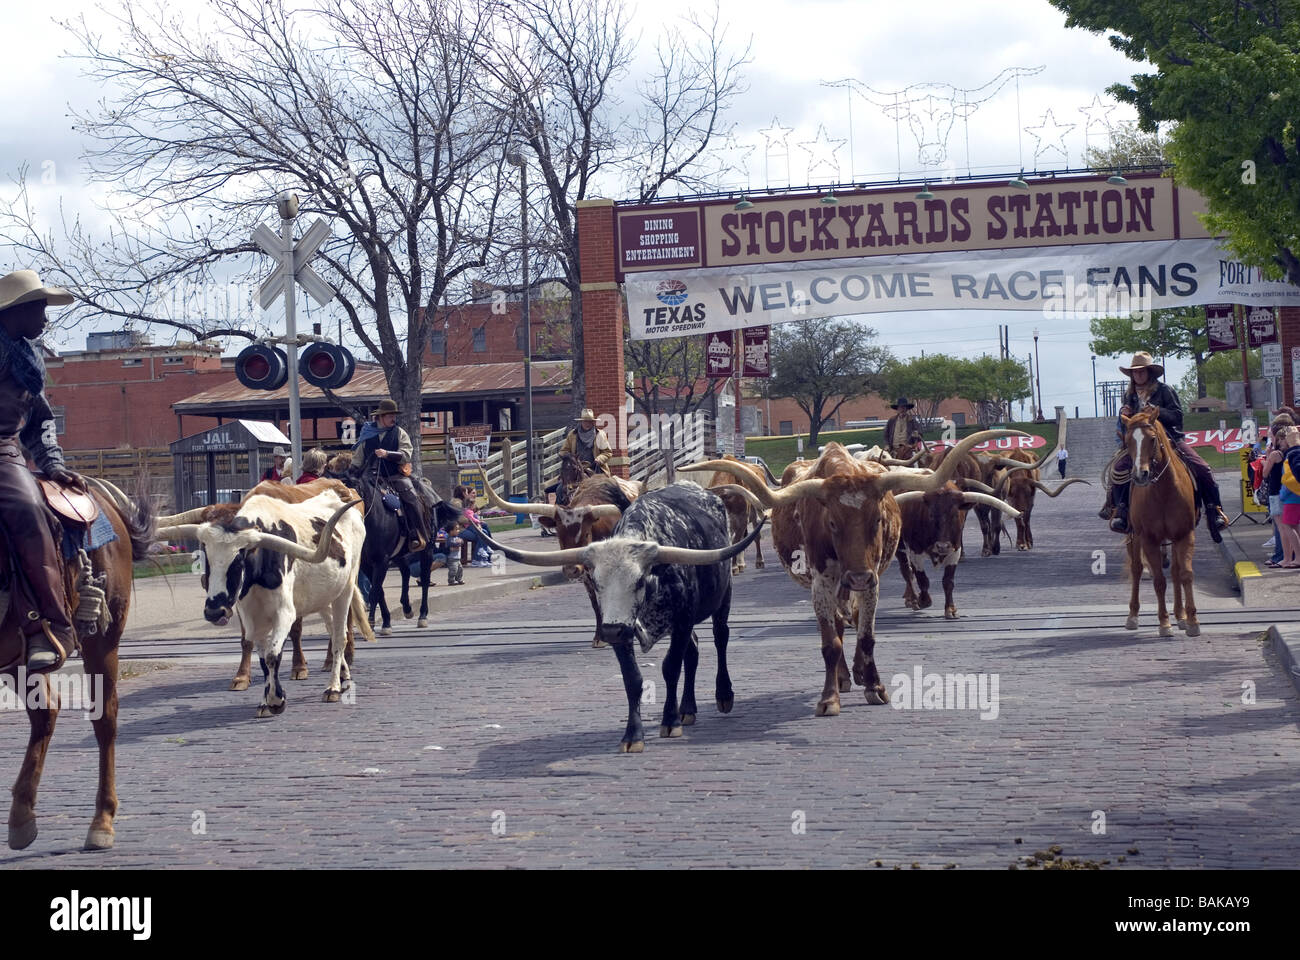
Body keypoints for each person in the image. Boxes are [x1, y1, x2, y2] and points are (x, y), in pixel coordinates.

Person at [0, 269, 85, 672]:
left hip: (3, 454)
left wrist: (52, 464)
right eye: (39, 308)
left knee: (30, 513)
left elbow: (39, 421)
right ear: (15, 312)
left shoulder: (30, 360)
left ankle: (51, 624)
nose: (45, 319)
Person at [1104, 352, 1230, 540]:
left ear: (1149, 372)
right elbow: (1127, 427)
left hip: (1170, 440)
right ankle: (1120, 511)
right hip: (1139, 445)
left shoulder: (1164, 391)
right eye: (1134, 372)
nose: (1138, 375)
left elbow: (1177, 416)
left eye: (1141, 371)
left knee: (1202, 468)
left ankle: (1214, 511)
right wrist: (1124, 414)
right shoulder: (1128, 395)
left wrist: (1158, 412)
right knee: (1118, 469)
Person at [350, 398, 430, 553]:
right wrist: (350, 473)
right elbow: (358, 459)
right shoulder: (367, 434)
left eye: (394, 415)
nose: (393, 418)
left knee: (412, 498)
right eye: (389, 416)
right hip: (370, 479)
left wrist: (387, 454)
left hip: (395, 477)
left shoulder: (400, 433)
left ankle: (417, 534)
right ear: (380, 417)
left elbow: (406, 455)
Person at [560, 408, 613, 474]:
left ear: (593, 422)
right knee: (564, 482)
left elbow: (608, 452)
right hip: (575, 468)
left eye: (590, 421)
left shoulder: (600, 434)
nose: (588, 423)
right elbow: (563, 451)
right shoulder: (572, 434)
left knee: (604, 483)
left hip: (595, 468)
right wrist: (571, 458)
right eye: (585, 421)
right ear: (581, 422)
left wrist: (600, 459)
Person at [1277, 425, 1300, 567]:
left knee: (1288, 526)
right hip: (1293, 496)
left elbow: (1291, 478)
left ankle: (1297, 558)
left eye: (1282, 439)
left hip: (1292, 497)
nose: (1280, 443)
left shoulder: (1291, 454)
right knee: (1294, 527)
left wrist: (1282, 495)